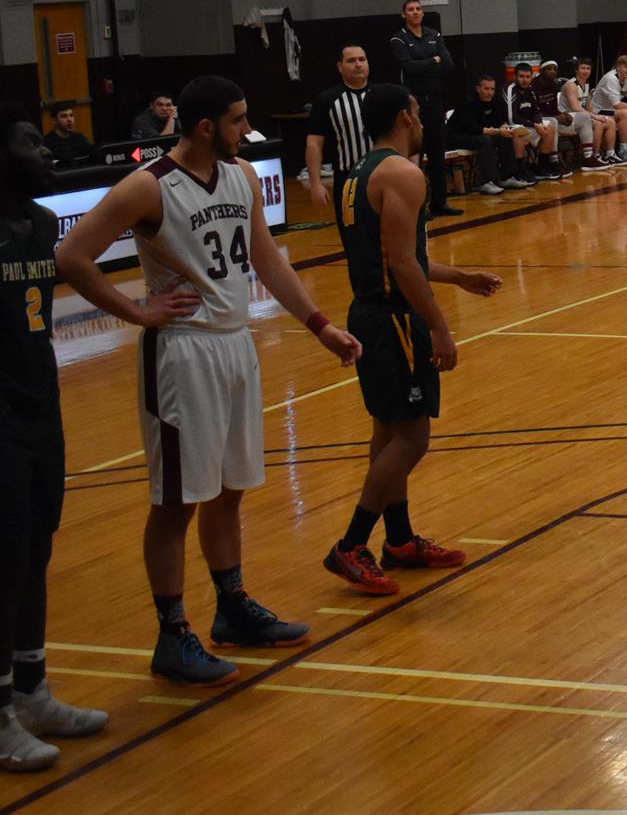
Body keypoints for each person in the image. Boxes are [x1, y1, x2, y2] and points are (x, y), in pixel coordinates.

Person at [55, 76, 361, 687]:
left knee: (230, 489)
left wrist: (319, 325)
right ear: (204, 127)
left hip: (234, 344)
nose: (245, 131)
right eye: (237, 121)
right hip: (180, 355)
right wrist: (137, 311)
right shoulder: (148, 186)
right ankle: (172, 636)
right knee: (175, 503)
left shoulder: (242, 178)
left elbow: (267, 258)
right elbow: (71, 256)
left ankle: (232, 608)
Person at [324, 85, 501, 596]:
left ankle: (398, 541)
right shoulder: (404, 172)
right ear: (404, 117)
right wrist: (442, 327)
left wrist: (457, 275)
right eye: (419, 113)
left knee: (387, 433)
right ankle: (351, 545)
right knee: (412, 439)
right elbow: (402, 264)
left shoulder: (358, 174)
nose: (422, 120)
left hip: (369, 312)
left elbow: (395, 256)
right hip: (395, 321)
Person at [0, 103, 108, 772]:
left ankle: (33, 688)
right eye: (30, 144)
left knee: (37, 549)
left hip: (43, 405)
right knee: (5, 559)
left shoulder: (43, 225)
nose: (46, 154)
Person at [387, 0, 458, 217]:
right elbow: (409, 68)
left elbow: (448, 63)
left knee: (438, 153)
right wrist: (432, 61)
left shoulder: (433, 34)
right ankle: (418, 206)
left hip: (435, 100)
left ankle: (440, 202)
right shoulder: (399, 38)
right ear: (403, 14)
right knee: (416, 154)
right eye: (411, 9)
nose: (415, 12)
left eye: (418, 9)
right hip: (414, 104)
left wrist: (429, 63)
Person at [304, 44, 371, 210]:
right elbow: (314, 144)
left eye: (362, 59)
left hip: (383, 174)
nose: (358, 64)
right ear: (340, 67)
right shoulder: (326, 100)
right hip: (347, 177)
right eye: (351, 60)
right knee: (351, 233)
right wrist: (316, 183)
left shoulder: (384, 95)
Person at [442, 77, 522, 195]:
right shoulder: (467, 102)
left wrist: (504, 127)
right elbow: (473, 129)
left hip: (476, 135)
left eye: (492, 89)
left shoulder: (494, 100)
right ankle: (485, 182)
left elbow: (501, 120)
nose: (489, 92)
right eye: (486, 89)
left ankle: (506, 177)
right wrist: (498, 131)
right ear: (478, 89)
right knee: (484, 140)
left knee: (505, 136)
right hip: (455, 137)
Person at [502, 63, 564, 179]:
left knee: (549, 127)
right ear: (515, 77)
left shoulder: (530, 90)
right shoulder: (509, 89)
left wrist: (539, 124)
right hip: (508, 128)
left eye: (527, 77)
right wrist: (535, 125)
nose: (524, 80)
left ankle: (542, 167)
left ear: (531, 77)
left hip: (527, 125)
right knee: (518, 131)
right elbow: (511, 118)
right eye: (521, 76)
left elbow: (536, 111)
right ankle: (519, 171)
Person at [560, 60, 620, 171]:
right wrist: (595, 117)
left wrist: (598, 115)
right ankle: (595, 156)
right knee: (598, 123)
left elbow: (588, 106)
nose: (585, 71)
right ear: (576, 70)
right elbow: (574, 107)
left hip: (582, 118)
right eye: (583, 68)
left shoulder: (586, 85)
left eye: (588, 68)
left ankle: (610, 154)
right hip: (567, 119)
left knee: (610, 121)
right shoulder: (571, 85)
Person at [41, 102, 95, 168]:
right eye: (64, 116)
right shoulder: (47, 142)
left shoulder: (79, 138)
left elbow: (93, 154)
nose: (69, 119)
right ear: (55, 121)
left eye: (71, 115)